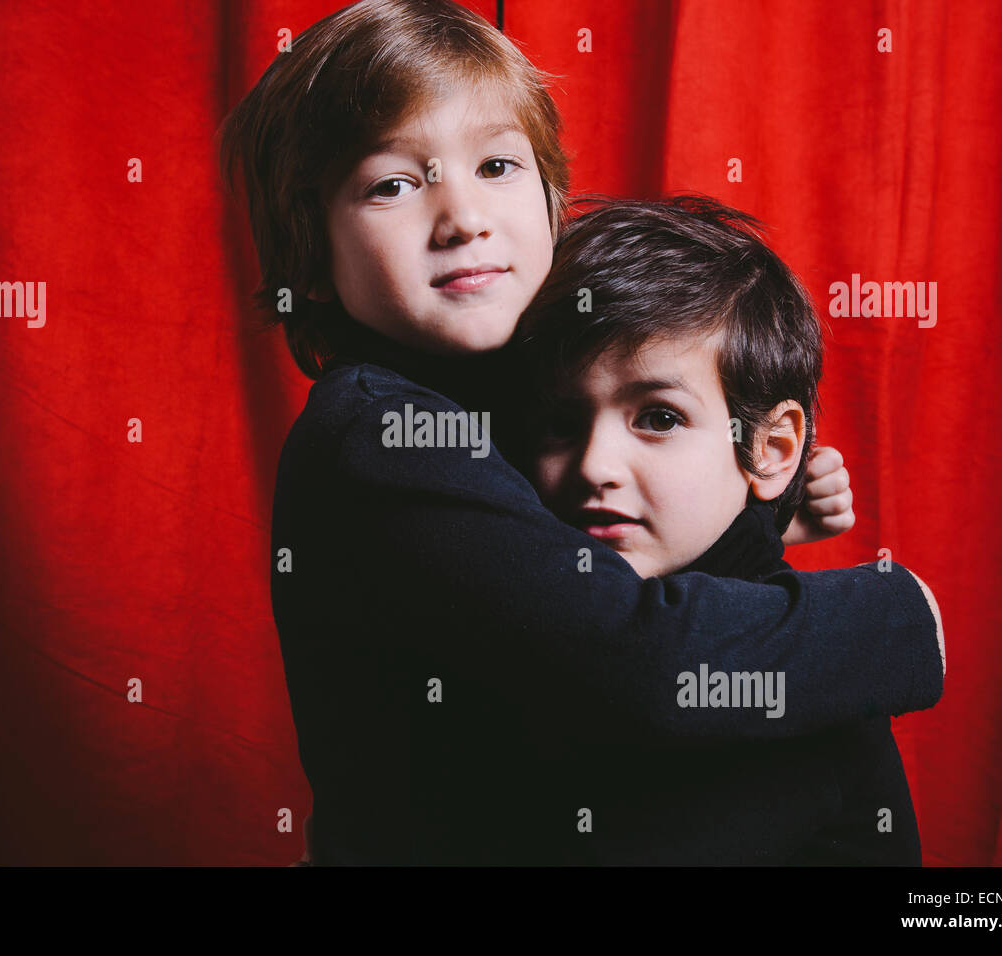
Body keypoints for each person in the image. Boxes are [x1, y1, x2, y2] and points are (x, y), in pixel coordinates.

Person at [221, 0, 943, 864]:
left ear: (550, 196)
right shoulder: (382, 429)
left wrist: (766, 507)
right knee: (810, 743)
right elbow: (634, 658)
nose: (461, 218)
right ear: (314, 252)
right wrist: (896, 615)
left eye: (495, 164)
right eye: (392, 185)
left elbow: (549, 556)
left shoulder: (496, 384)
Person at [508, 195, 929, 864]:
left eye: (659, 418)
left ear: (772, 447)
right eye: (561, 423)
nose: (593, 465)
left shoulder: (800, 690)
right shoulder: (532, 613)